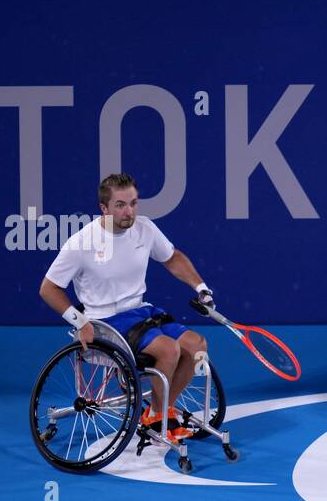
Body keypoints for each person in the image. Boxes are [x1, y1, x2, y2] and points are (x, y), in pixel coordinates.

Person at [38, 173, 215, 441]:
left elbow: (173, 258)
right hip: (104, 321)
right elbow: (48, 288)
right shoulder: (81, 243)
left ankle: (160, 411)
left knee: (197, 344)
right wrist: (79, 321)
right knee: (169, 349)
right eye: (120, 205)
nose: (129, 211)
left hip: (141, 312)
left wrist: (200, 287)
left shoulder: (145, 228)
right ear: (104, 208)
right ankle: (158, 417)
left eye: (133, 203)